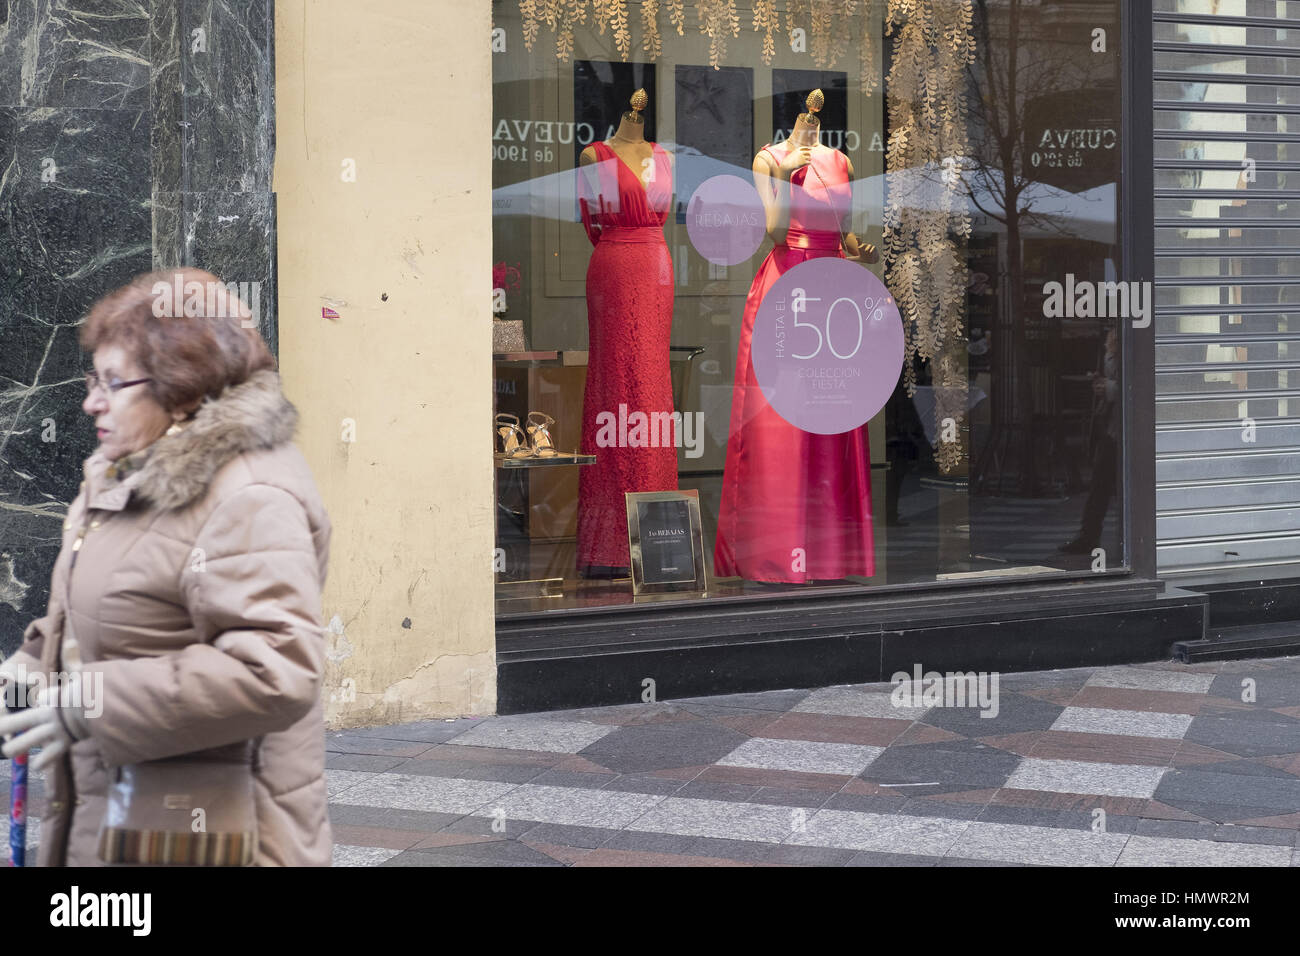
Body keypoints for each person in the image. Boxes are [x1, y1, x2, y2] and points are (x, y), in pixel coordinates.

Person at [0, 269, 332, 866]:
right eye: (92, 378)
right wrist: (29, 666)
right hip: (114, 821)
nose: (90, 401)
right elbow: (87, 616)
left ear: (182, 389)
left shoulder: (249, 495)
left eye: (113, 382)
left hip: (212, 840)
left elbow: (277, 668)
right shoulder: (120, 470)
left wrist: (87, 706)